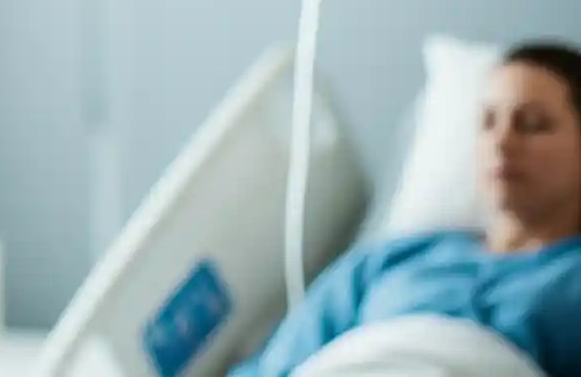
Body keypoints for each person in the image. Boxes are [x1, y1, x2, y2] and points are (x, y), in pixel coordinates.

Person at [230, 41, 581, 376]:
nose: (501, 142)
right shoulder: (394, 258)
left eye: (533, 124)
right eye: (488, 122)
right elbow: (273, 368)